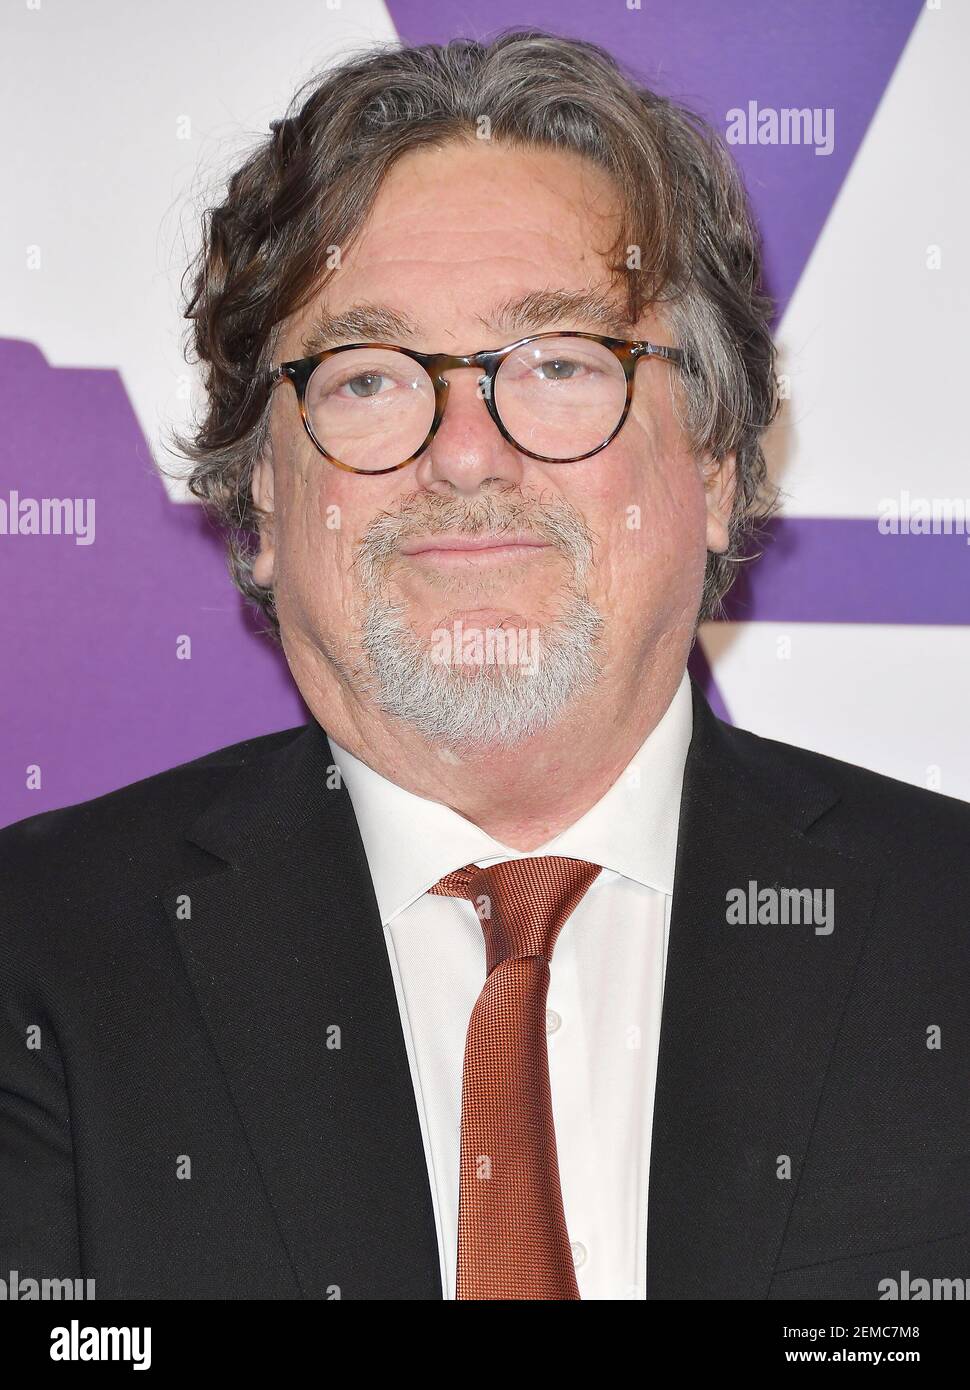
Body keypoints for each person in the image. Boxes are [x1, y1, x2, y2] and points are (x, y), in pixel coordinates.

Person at [2, 30, 968, 1302]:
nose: (463, 454)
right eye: (364, 379)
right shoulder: (38, 954)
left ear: (719, 466)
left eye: (560, 364)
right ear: (260, 500)